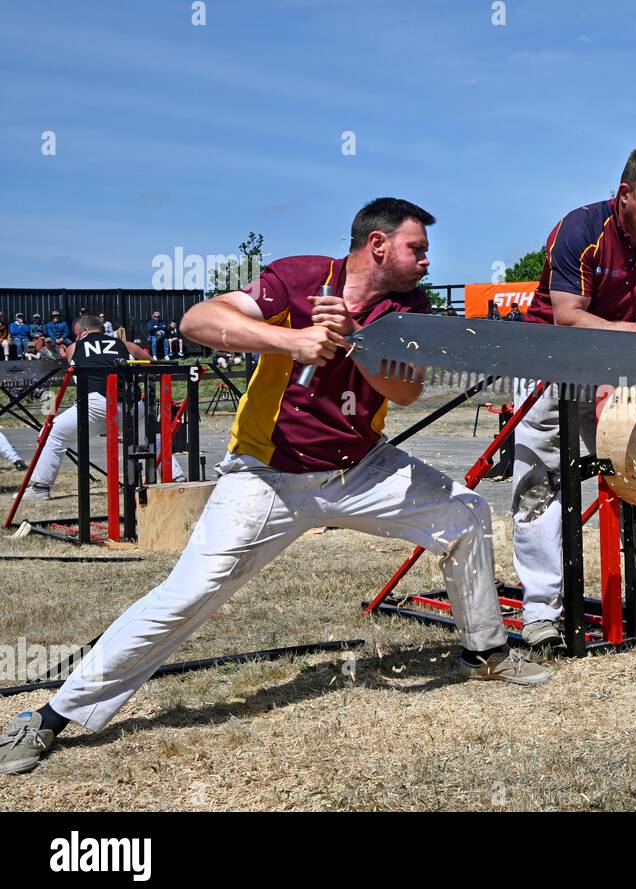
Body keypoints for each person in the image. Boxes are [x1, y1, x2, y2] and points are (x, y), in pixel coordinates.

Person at [1, 197, 549, 776]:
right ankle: (52, 717)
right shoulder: (301, 277)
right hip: (269, 473)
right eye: (418, 248)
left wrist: (355, 338)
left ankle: (486, 652)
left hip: (360, 467)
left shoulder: (407, 308)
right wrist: (293, 340)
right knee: (188, 594)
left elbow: (407, 392)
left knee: (464, 515)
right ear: (379, 245)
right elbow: (197, 321)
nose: (427, 261)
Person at [512, 148, 636, 648]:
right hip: (550, 361)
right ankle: (540, 614)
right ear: (624, 194)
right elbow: (568, 318)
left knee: (635, 474)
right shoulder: (578, 229)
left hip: (616, 367)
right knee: (540, 483)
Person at [23, 316, 181, 500]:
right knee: (150, 440)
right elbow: (153, 365)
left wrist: (63, 352)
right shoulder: (125, 345)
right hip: (132, 405)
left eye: (76, 334)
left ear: (83, 332)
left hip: (97, 404)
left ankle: (41, 488)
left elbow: (66, 359)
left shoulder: (76, 346)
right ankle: (177, 476)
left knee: (51, 433)